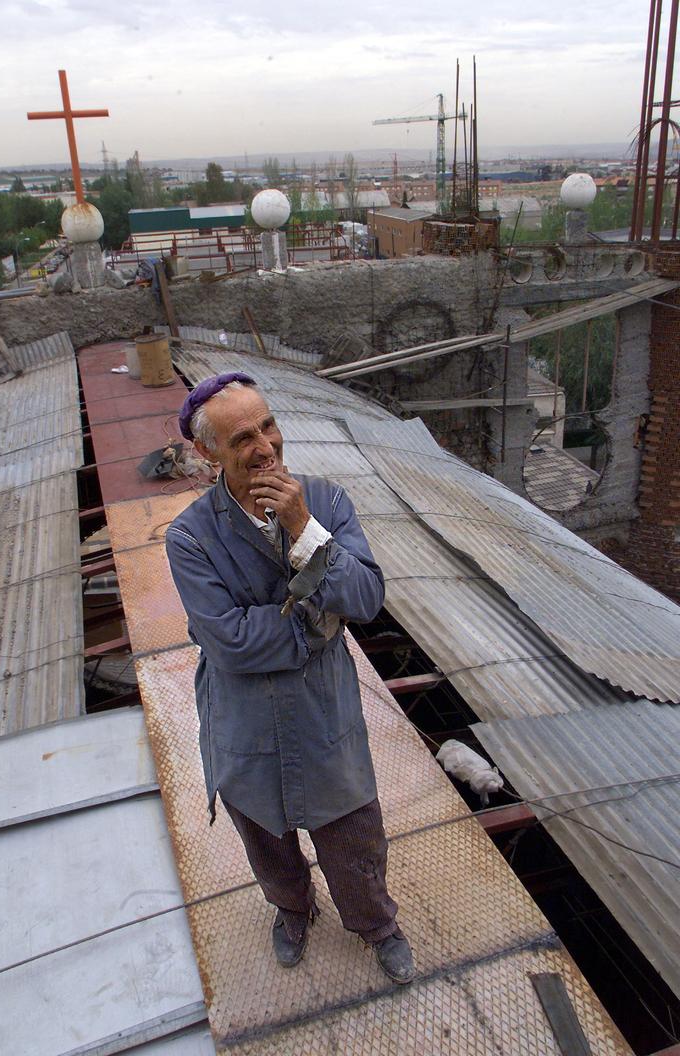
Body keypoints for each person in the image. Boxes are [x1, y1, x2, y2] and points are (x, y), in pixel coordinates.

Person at [165, 372, 415, 984]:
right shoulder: (190, 536)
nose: (265, 447)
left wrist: (305, 531)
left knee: (352, 831)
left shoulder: (325, 502)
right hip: (243, 716)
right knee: (265, 833)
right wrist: (316, 624)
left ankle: (375, 923)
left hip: (322, 708)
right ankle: (293, 908)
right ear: (209, 453)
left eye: (269, 426)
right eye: (242, 438)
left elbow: (365, 598)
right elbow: (228, 642)